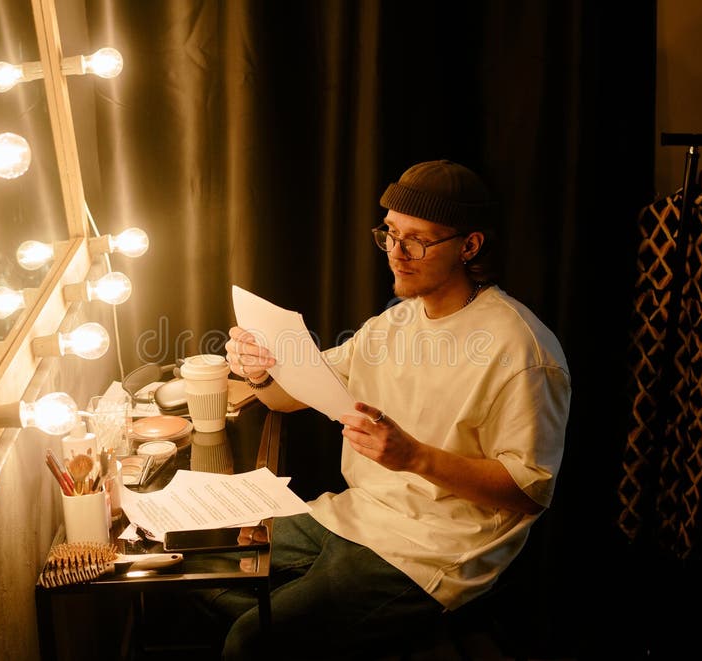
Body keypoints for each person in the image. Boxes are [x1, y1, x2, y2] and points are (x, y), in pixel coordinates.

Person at [214, 159, 571, 659]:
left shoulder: (523, 352)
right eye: (390, 235)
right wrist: (261, 371)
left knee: (250, 639)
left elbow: (529, 493)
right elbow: (290, 397)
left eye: (417, 241)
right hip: (358, 516)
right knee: (208, 568)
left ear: (470, 246)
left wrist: (414, 457)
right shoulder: (394, 324)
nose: (397, 254)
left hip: (434, 547)